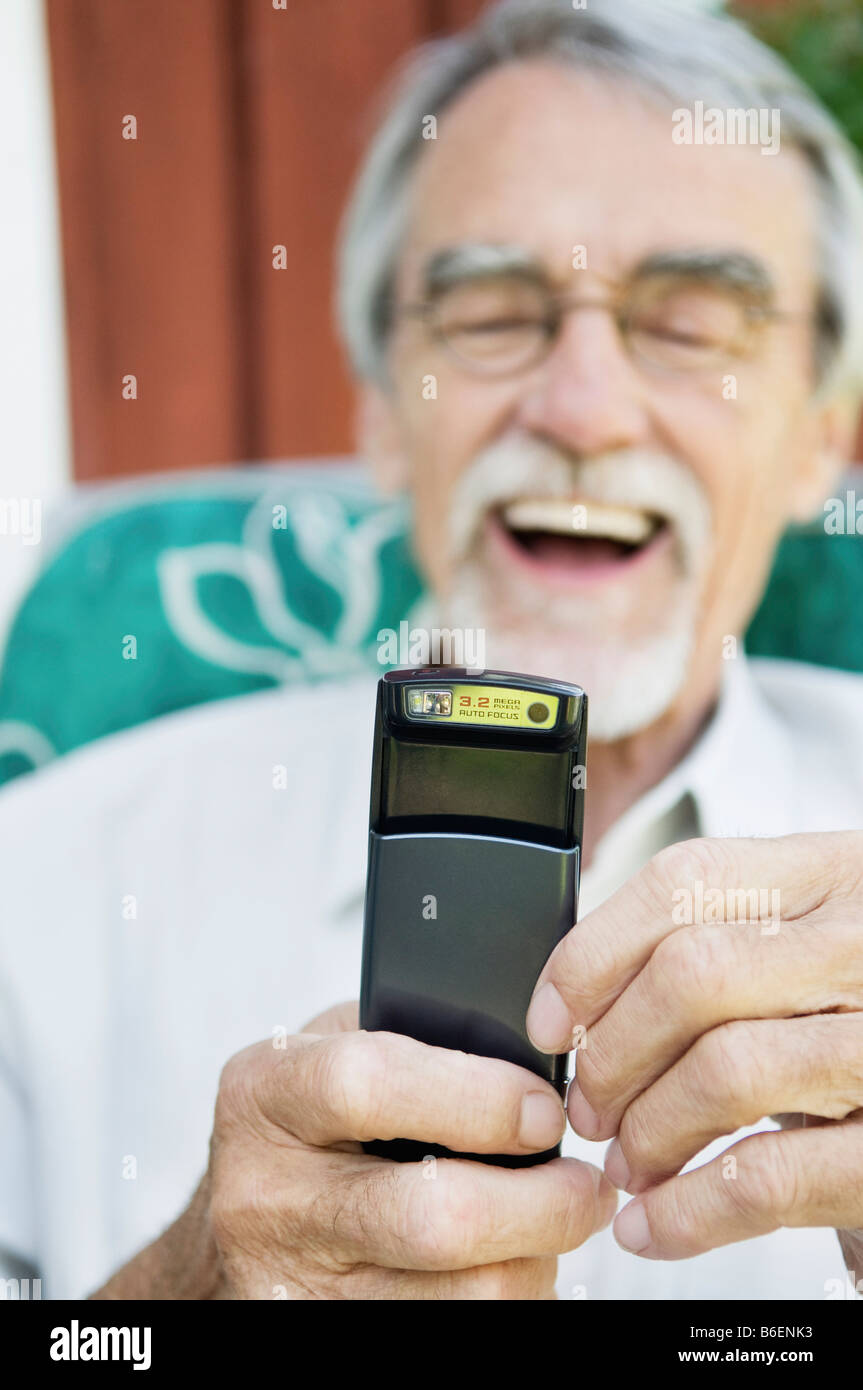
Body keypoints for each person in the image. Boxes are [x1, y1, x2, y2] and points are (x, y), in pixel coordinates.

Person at [2, 0, 863, 1301]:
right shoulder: (45, 885)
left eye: (690, 323)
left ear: (818, 436)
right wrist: (187, 1292)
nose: (581, 405)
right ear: (382, 411)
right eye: (492, 311)